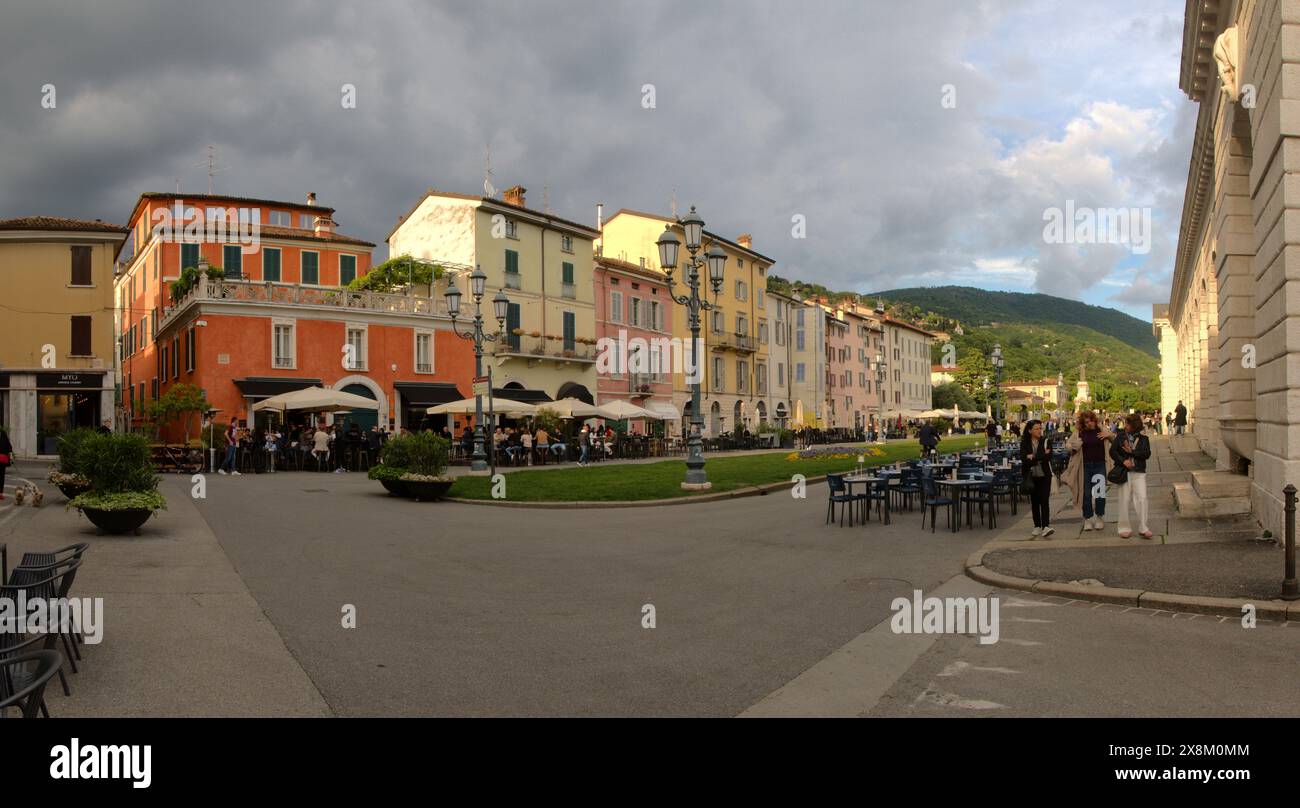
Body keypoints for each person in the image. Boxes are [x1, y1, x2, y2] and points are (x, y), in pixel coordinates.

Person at [1064, 409, 1113, 531]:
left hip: (1100, 464)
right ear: (1083, 423)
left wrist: (1109, 435)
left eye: (1091, 420)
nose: (1089, 423)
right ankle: (1087, 519)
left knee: (1099, 493)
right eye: (1086, 422)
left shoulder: (1101, 429)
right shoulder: (1078, 433)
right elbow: (1068, 445)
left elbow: (1115, 439)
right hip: (1084, 466)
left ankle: (1100, 517)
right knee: (1085, 494)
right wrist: (1074, 445)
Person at [1111, 413, 1153, 539]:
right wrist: (1123, 461)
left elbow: (1146, 454)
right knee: (1124, 499)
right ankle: (1124, 527)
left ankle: (1143, 527)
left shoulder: (1144, 439)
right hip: (1124, 472)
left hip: (1138, 472)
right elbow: (1112, 451)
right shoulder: (1120, 437)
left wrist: (1132, 452)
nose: (1126, 426)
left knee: (1142, 498)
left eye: (1128, 424)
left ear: (1134, 426)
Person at [1020, 419, 1054, 537]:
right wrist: (1040, 457)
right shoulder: (1025, 442)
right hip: (1031, 476)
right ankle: (1037, 526)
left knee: (1044, 500)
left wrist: (1033, 457)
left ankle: (1046, 526)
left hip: (1045, 475)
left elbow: (1048, 457)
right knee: (1035, 501)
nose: (1039, 430)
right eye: (1036, 428)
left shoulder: (1046, 441)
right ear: (1030, 431)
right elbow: (1024, 459)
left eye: (1040, 428)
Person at [0, 426, 12, 500]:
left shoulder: (3, 433)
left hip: (2, 460)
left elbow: (8, 445)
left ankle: (0, 493)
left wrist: (9, 452)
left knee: (1, 476)